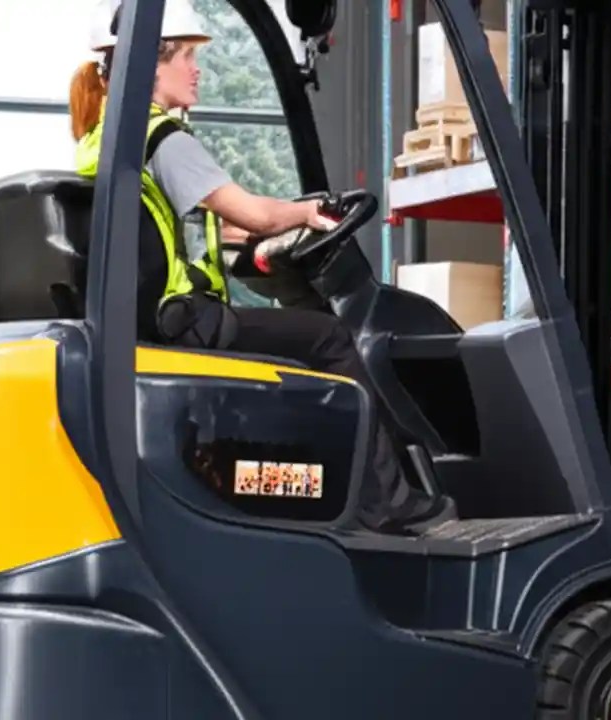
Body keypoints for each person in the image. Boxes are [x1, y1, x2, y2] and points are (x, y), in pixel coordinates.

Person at [67, 0, 455, 533]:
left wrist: (259, 241)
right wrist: (307, 213)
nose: (198, 68)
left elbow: (193, 228)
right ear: (154, 65)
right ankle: (389, 502)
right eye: (185, 57)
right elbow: (251, 211)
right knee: (330, 340)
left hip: (153, 321)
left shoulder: (105, 137)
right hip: (184, 323)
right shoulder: (165, 138)